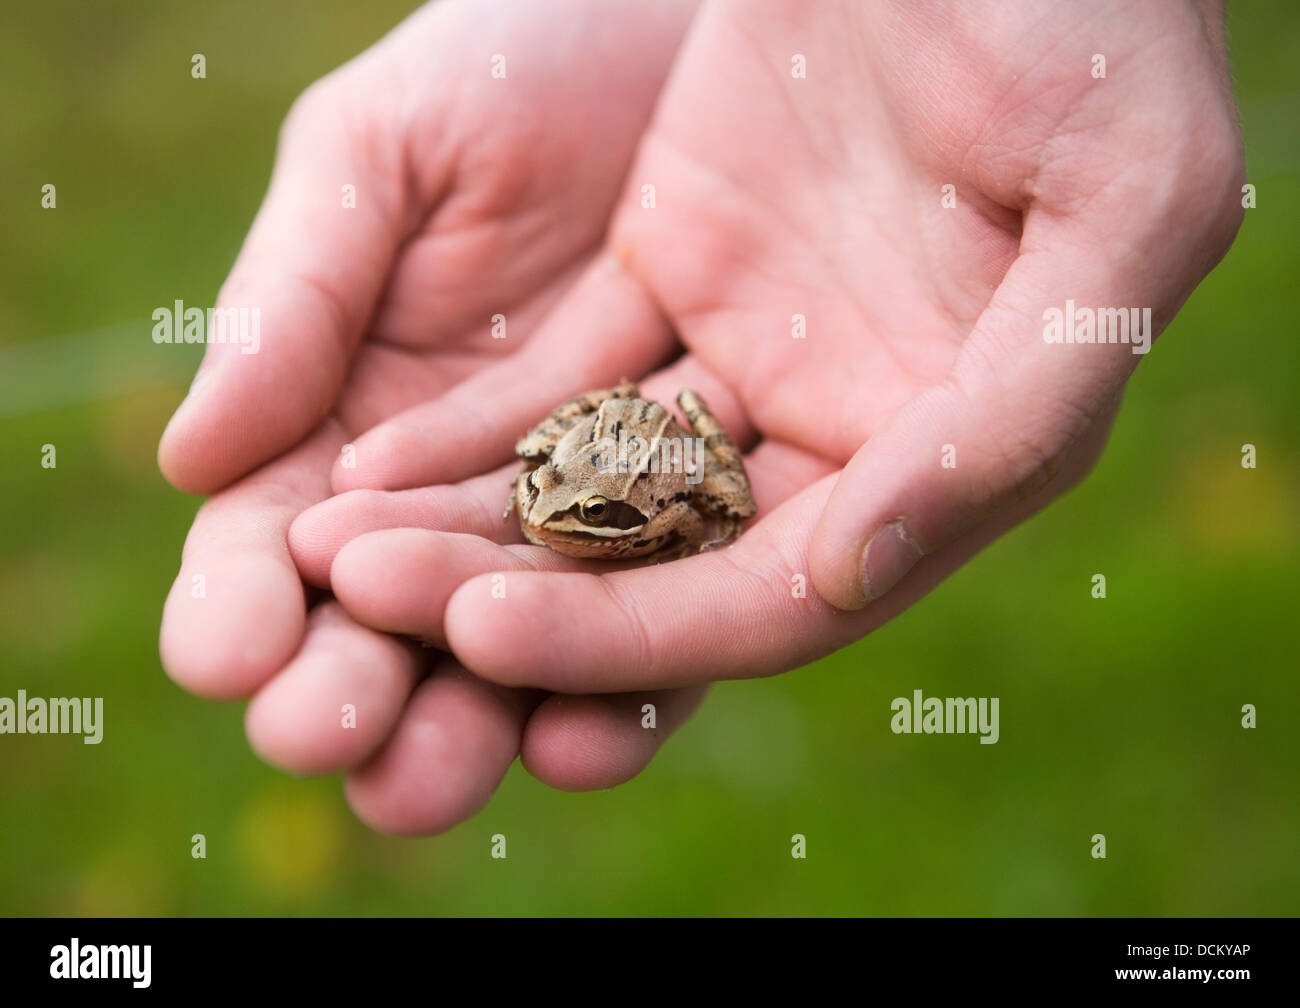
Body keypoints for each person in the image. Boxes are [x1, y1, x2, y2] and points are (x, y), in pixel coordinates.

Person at [158, 0, 1245, 834]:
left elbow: (706, 511)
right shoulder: (552, 495)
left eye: (565, 519)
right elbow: (552, 474)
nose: (537, 517)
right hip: (610, 438)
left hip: (663, 462)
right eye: (540, 504)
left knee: (686, 512)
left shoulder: (673, 496)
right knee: (523, 517)